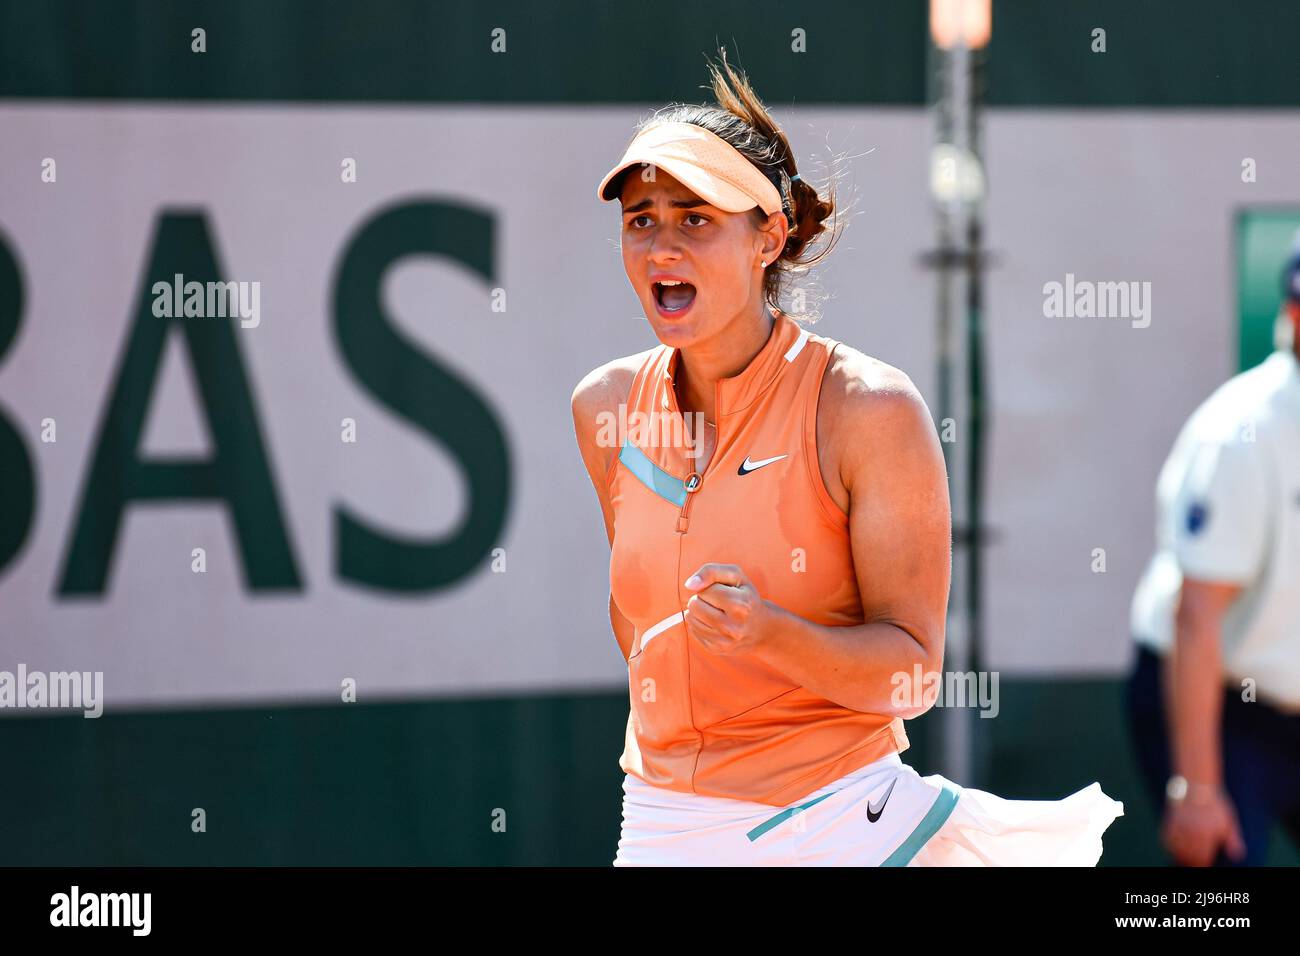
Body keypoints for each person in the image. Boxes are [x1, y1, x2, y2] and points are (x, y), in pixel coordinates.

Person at [572, 50, 1122, 866]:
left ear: (771, 236)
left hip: (839, 826)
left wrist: (770, 634)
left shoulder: (869, 410)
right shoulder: (604, 409)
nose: (661, 246)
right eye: (642, 218)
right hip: (659, 821)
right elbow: (639, 631)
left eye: (696, 219)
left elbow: (913, 676)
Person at [1127, 242, 1300, 867]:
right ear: (1295, 317)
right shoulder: (1242, 433)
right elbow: (1196, 615)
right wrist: (1197, 790)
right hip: (1219, 702)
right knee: (1221, 897)